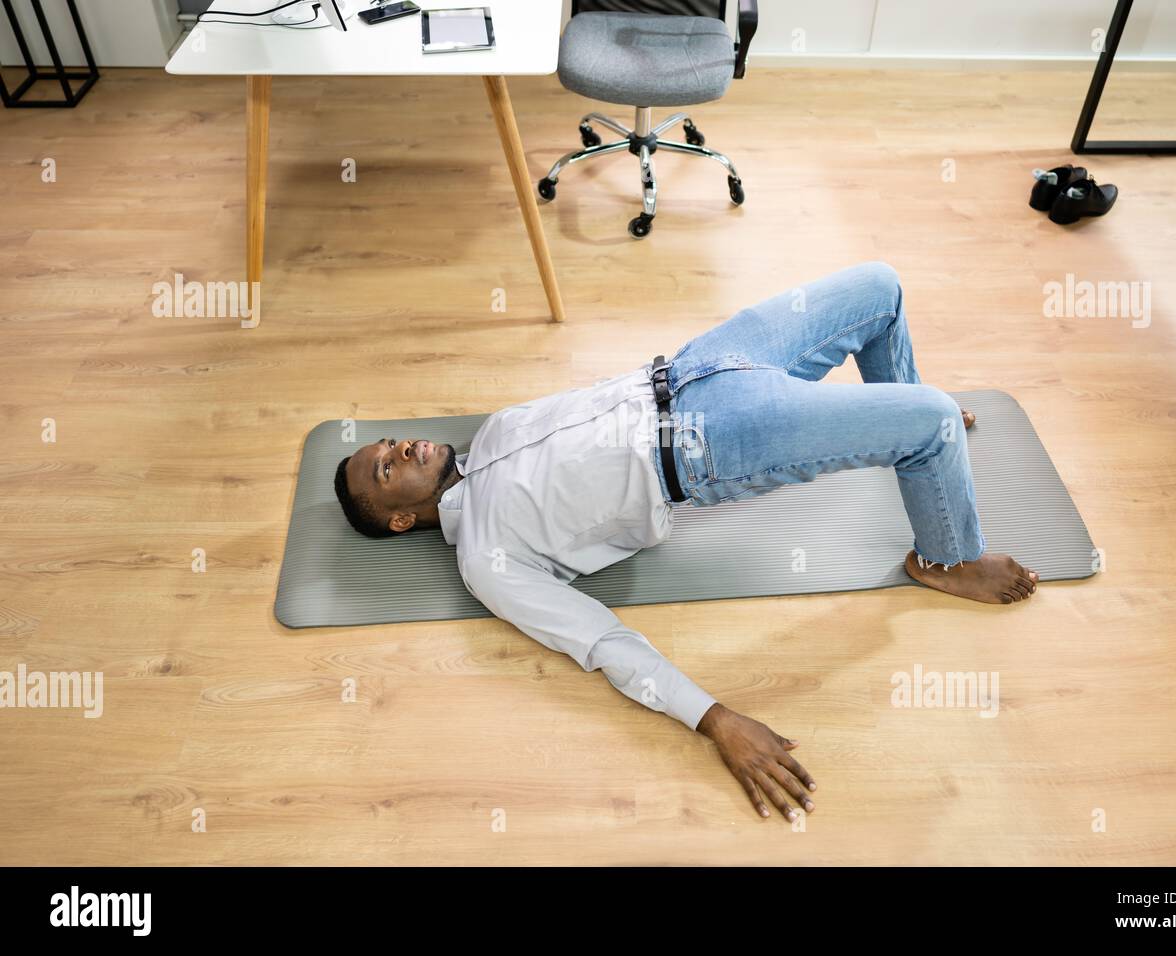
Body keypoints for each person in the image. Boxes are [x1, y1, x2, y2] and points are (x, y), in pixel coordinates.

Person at [333, 261, 1038, 821]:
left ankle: (897, 422)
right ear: (399, 519)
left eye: (388, 442)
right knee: (936, 418)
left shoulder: (489, 435)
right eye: (385, 468)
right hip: (713, 443)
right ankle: (947, 555)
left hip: (701, 362)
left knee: (880, 287)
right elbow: (602, 641)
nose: (399, 448)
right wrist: (716, 720)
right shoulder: (487, 557)